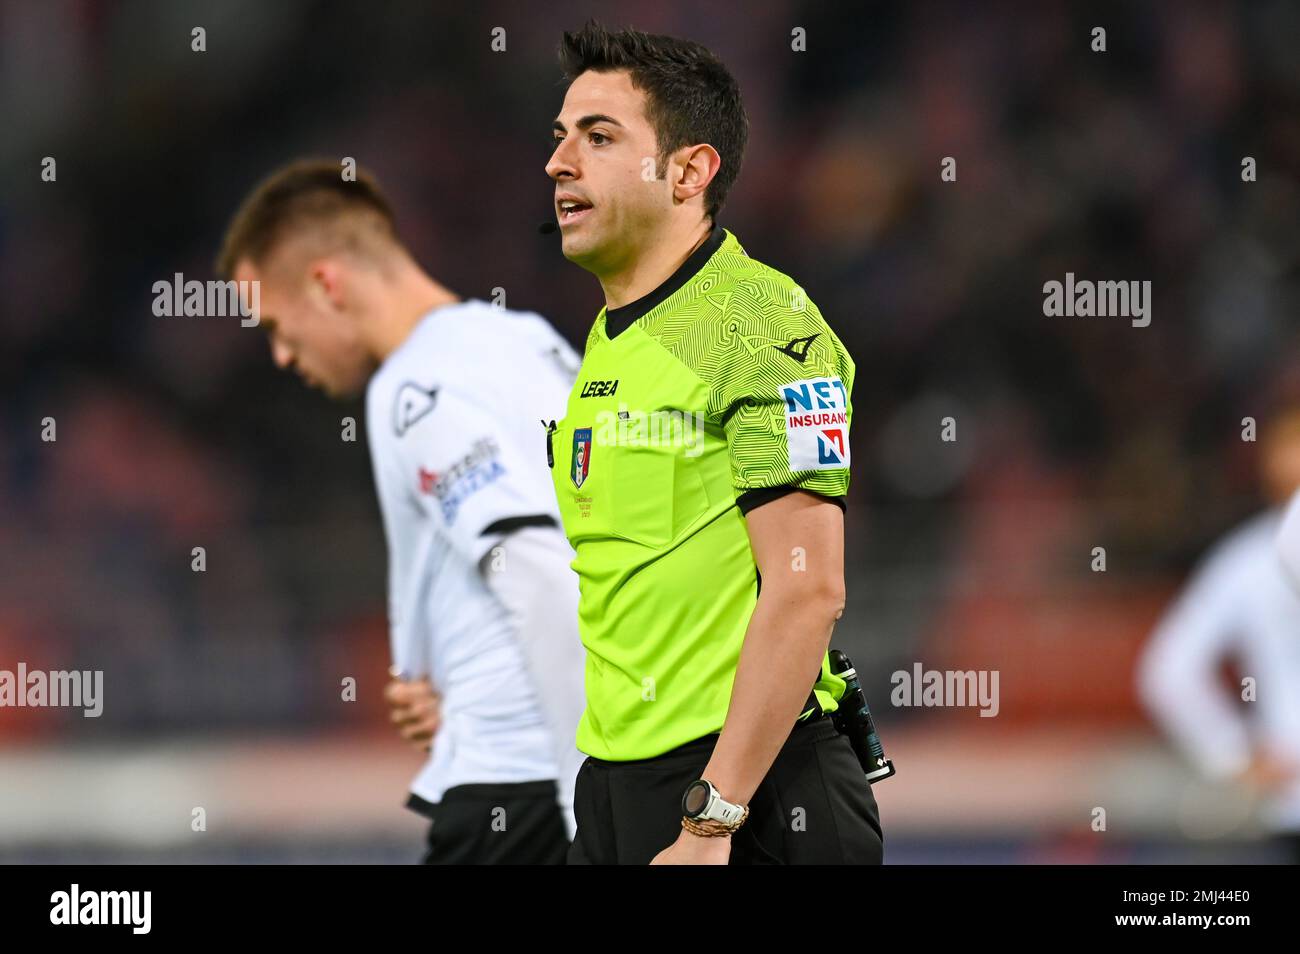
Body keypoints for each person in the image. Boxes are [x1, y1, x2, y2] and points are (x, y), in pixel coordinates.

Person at [541, 22, 884, 865]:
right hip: (620, 786)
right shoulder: (611, 338)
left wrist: (711, 821)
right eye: (559, 137)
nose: (558, 163)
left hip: (750, 804)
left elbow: (809, 590)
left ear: (690, 171)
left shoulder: (762, 324)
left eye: (599, 137)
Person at [216, 160, 586, 864]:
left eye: (275, 324)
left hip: (524, 800)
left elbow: (539, 572)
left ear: (326, 283)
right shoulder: (532, 344)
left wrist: (588, 801)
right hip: (558, 763)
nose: (281, 355)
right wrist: (465, 691)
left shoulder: (414, 385)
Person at [1138, 402, 1300, 862]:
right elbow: (1168, 669)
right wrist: (1235, 754)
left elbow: (1168, 669)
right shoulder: (1250, 561)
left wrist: (1230, 752)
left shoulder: (1248, 558)